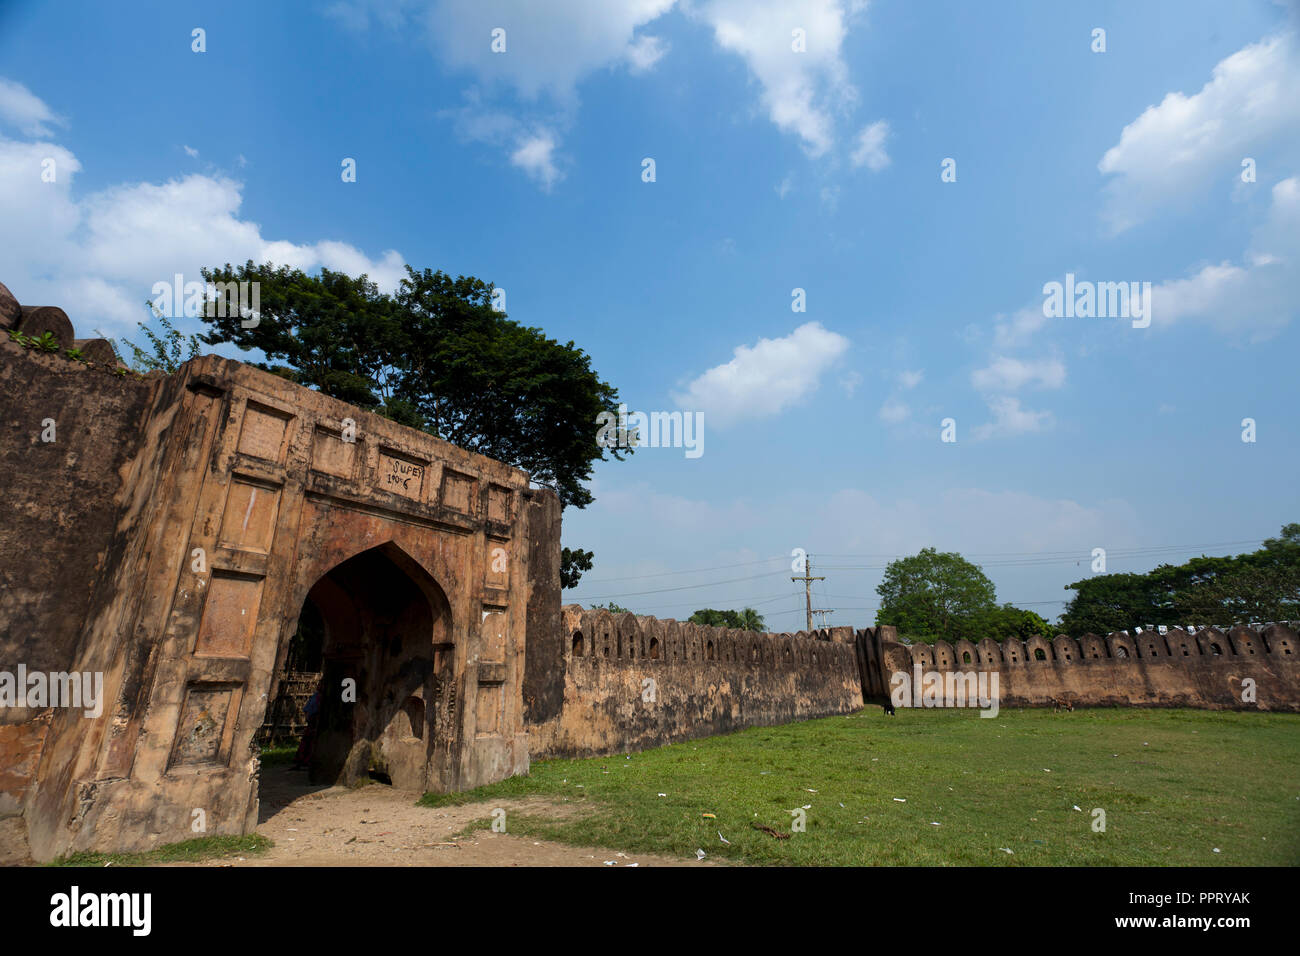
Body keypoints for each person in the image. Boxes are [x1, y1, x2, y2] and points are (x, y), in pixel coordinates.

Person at [292, 688, 322, 770]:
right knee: (308, 741)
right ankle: (303, 760)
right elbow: (307, 710)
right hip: (314, 721)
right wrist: (309, 718)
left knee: (311, 741)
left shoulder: (319, 697)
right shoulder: (316, 697)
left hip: (317, 721)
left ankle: (306, 760)